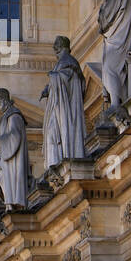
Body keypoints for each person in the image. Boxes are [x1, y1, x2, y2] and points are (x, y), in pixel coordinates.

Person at [41, 36, 87, 166]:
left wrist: (53, 78)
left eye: (56, 47)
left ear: (60, 48)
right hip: (59, 106)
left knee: (53, 134)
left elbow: (66, 80)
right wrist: (49, 88)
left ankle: (58, 162)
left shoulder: (68, 62)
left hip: (64, 109)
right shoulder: (62, 63)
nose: (55, 51)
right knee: (51, 134)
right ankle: (54, 164)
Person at [98, 0, 131, 108]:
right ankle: (118, 100)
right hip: (113, 37)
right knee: (110, 69)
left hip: (120, 36)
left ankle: (115, 103)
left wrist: (108, 1)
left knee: (109, 68)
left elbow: (106, 18)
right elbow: (103, 19)